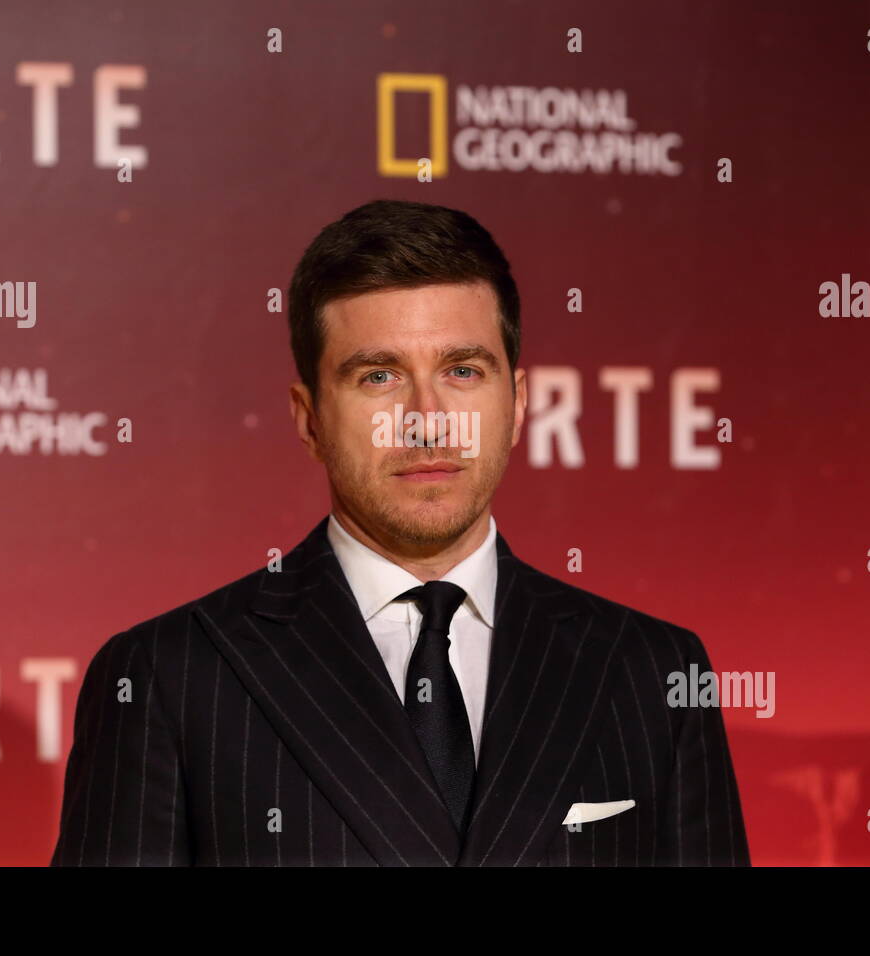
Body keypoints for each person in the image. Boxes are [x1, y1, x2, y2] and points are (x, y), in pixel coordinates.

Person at [50, 199, 751, 866]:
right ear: (308, 418)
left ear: (518, 403)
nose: (426, 419)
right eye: (379, 375)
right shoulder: (169, 677)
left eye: (463, 371)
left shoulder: (651, 671)